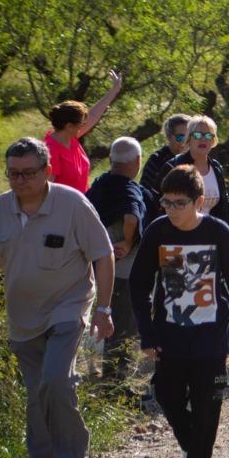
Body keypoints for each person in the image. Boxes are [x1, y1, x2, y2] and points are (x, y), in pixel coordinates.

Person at [0, 137, 114, 458]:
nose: (19, 181)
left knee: (55, 379)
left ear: (47, 171)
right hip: (23, 316)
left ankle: (70, 453)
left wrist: (104, 308)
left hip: (68, 304)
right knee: (36, 393)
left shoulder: (72, 204)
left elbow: (103, 255)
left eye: (28, 173)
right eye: (13, 174)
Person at [131, 165, 229, 458]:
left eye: (179, 203)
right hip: (169, 333)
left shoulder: (217, 232)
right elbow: (139, 284)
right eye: (167, 202)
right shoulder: (158, 231)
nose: (171, 210)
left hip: (211, 335)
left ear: (199, 201)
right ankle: (193, 453)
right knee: (167, 396)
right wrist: (146, 332)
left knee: (208, 401)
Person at [85, 137, 147, 382]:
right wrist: (129, 242)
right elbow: (132, 217)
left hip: (91, 269)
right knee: (121, 325)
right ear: (137, 161)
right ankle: (115, 380)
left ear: (111, 160)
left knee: (95, 322)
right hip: (121, 272)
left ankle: (93, 373)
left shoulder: (99, 184)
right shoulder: (129, 188)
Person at [44, 69, 124, 192]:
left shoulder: (70, 137)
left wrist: (113, 91)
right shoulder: (51, 151)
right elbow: (47, 192)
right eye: (81, 123)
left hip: (81, 206)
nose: (84, 125)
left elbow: (93, 115)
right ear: (69, 126)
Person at [168, 116, 229, 240]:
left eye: (208, 136)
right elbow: (163, 206)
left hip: (211, 238)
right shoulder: (174, 166)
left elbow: (225, 208)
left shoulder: (216, 168)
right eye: (197, 135)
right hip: (179, 238)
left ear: (213, 141)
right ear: (189, 139)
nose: (203, 139)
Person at [139, 114, 190, 206]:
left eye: (189, 137)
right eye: (180, 138)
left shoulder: (198, 158)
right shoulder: (157, 160)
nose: (185, 142)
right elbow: (146, 194)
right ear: (169, 137)